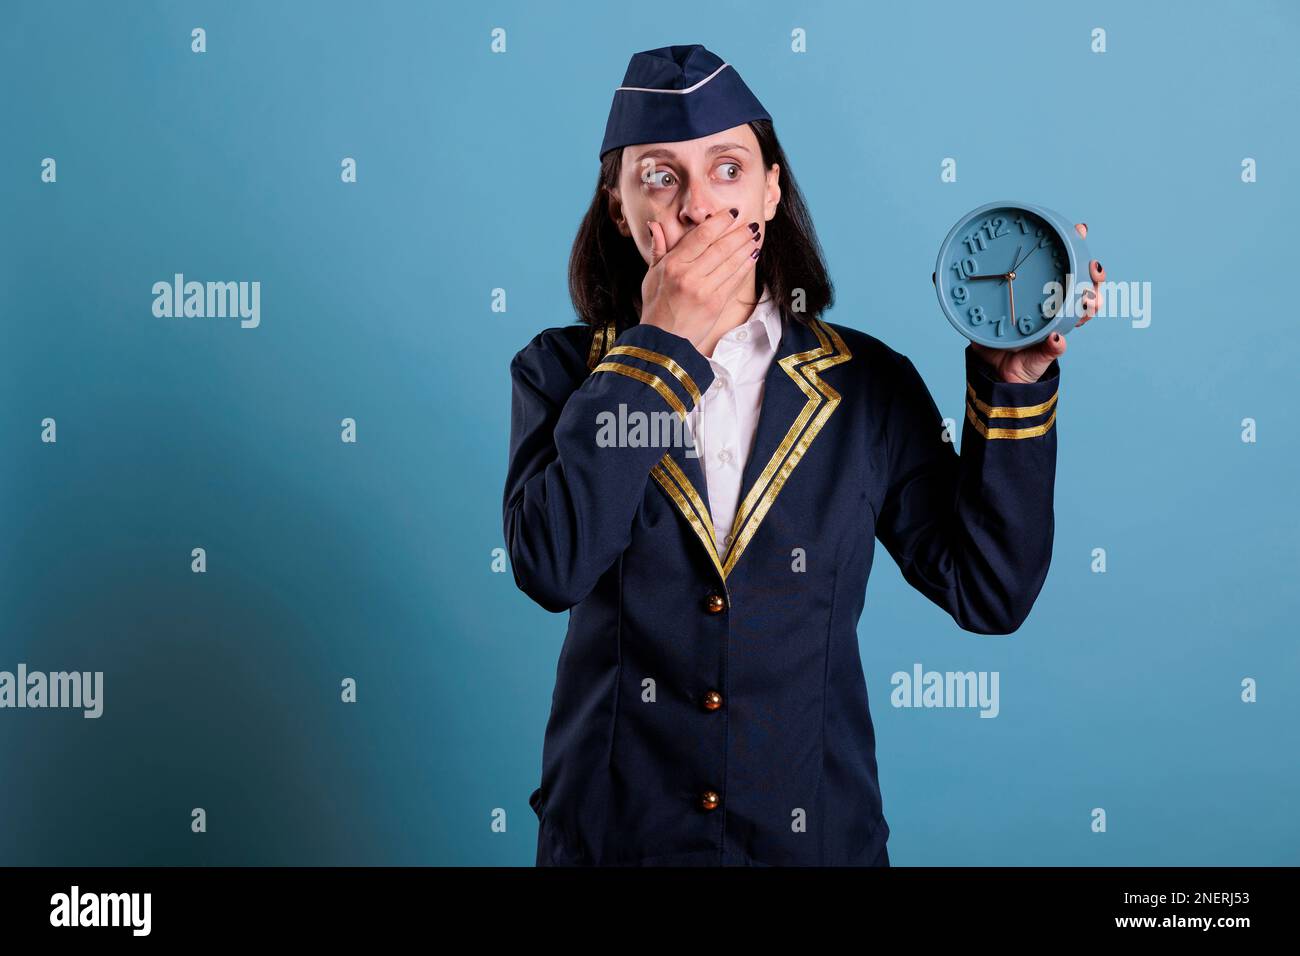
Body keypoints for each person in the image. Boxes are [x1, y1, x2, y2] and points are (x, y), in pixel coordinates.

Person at [502, 44, 1103, 866]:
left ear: (771, 191)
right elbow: (550, 565)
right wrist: (661, 347)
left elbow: (988, 592)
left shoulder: (868, 384)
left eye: (727, 169)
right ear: (617, 207)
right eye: (659, 175)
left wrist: (1012, 384)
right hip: (613, 842)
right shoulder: (563, 372)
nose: (700, 208)